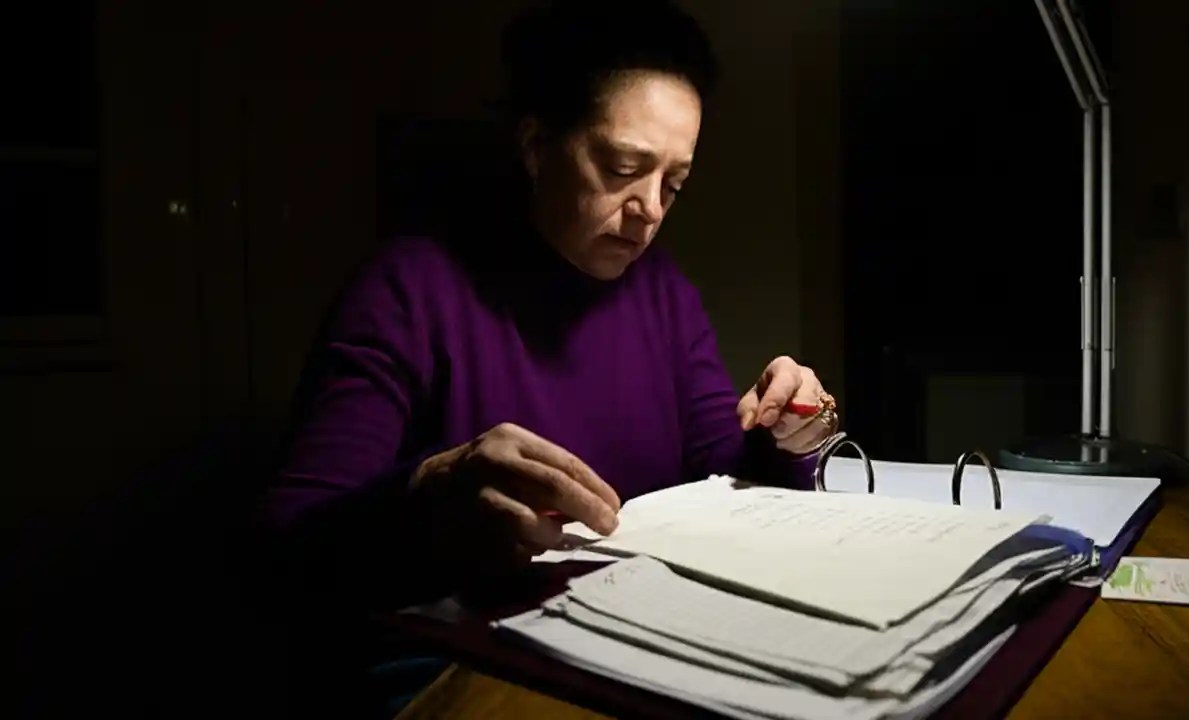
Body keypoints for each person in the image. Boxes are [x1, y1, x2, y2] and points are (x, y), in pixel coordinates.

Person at [261, 0, 838, 713]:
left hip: (641, 652)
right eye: (625, 167)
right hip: (463, 669)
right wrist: (429, 498)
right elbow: (290, 548)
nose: (651, 209)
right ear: (536, 145)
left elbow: (718, 476)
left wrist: (784, 438)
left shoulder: (664, 294)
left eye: (675, 183)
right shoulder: (409, 289)